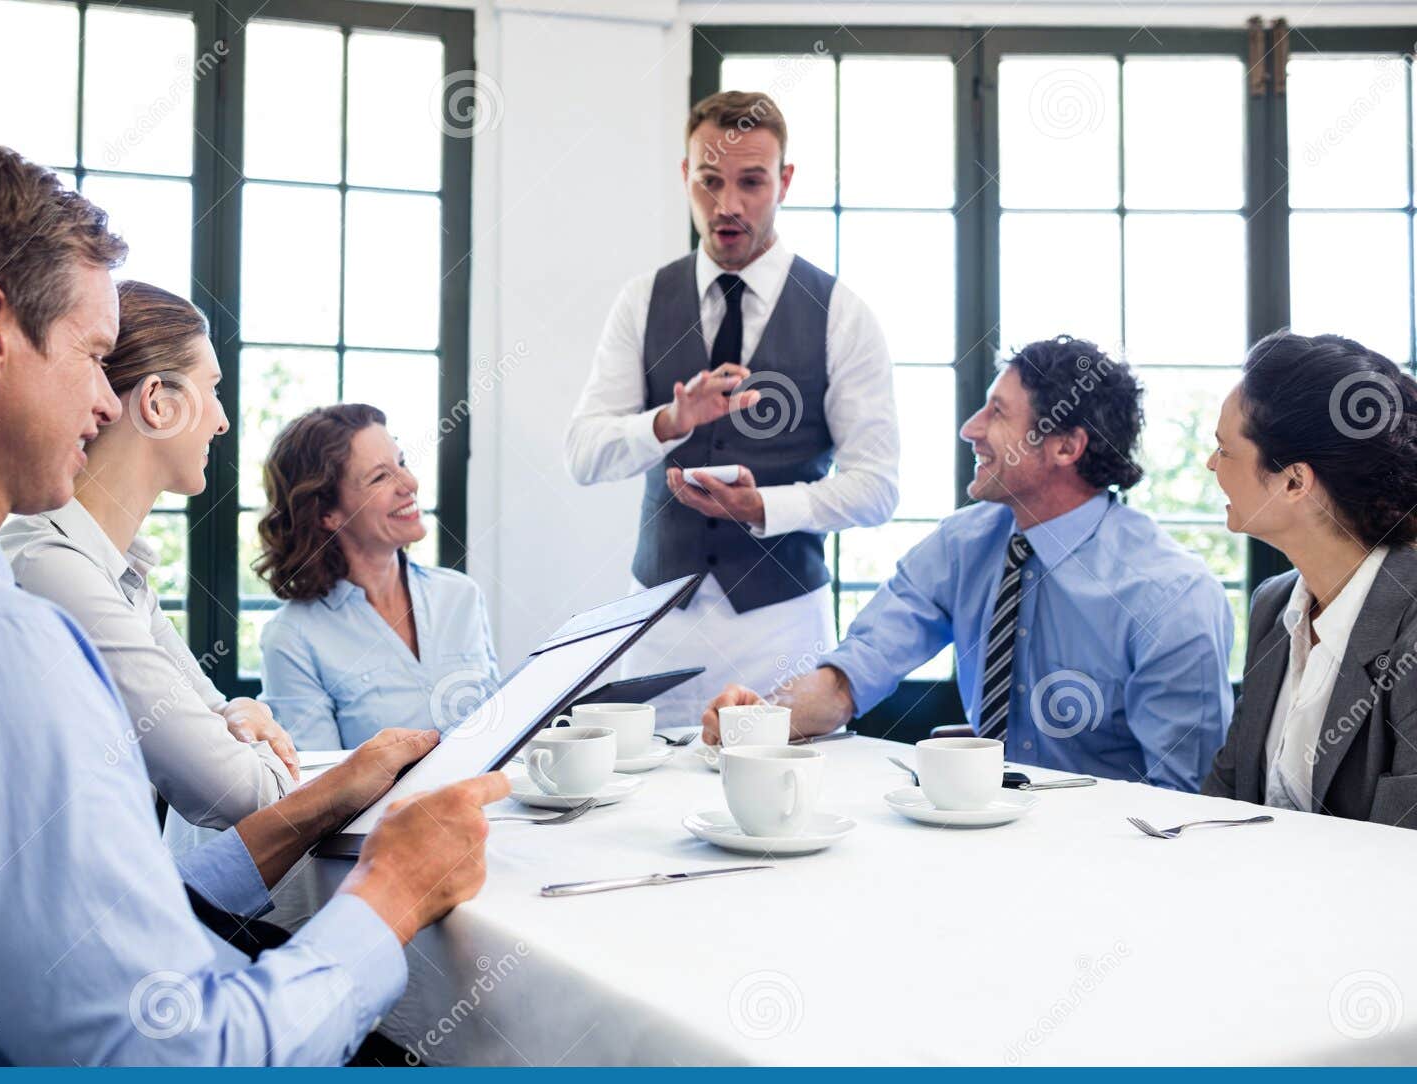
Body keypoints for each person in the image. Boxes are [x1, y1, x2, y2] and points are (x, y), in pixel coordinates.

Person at [0, 134, 507, 1066]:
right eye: (93, 354)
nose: (107, 401)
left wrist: (329, 814)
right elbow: (179, 1063)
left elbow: (99, 915)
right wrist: (391, 893)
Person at [703, 336, 1234, 793]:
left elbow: (1187, 803)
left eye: (997, 412)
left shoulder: (1169, 595)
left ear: (1066, 447)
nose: (970, 428)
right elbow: (853, 675)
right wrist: (758, 720)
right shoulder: (964, 543)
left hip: (1113, 862)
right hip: (976, 834)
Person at [564, 90, 900, 727]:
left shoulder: (843, 314)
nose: (727, 206)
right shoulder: (641, 302)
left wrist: (767, 507)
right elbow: (582, 455)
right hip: (655, 624)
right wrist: (669, 422)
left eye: (751, 182)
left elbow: (878, 487)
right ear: (684, 176)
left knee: (776, 811)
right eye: (709, 182)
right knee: (641, 813)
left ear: (785, 181)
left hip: (782, 629)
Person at [1, 281, 299, 840]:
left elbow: (218, 720)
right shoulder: (50, 567)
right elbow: (248, 797)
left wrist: (238, 713)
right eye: (213, 390)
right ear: (158, 402)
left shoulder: (121, 576)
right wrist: (242, 731)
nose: (222, 421)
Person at [1202, 331, 1417, 827]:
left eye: (1225, 450)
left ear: (1295, 481)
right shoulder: (1273, 606)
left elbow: (1404, 851)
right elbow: (1225, 802)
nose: (1212, 464)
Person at [256, 403, 500, 751]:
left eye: (401, 463)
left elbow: (500, 731)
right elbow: (322, 789)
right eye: (380, 477)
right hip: (389, 809)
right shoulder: (293, 638)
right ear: (327, 513)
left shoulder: (460, 595)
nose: (410, 483)